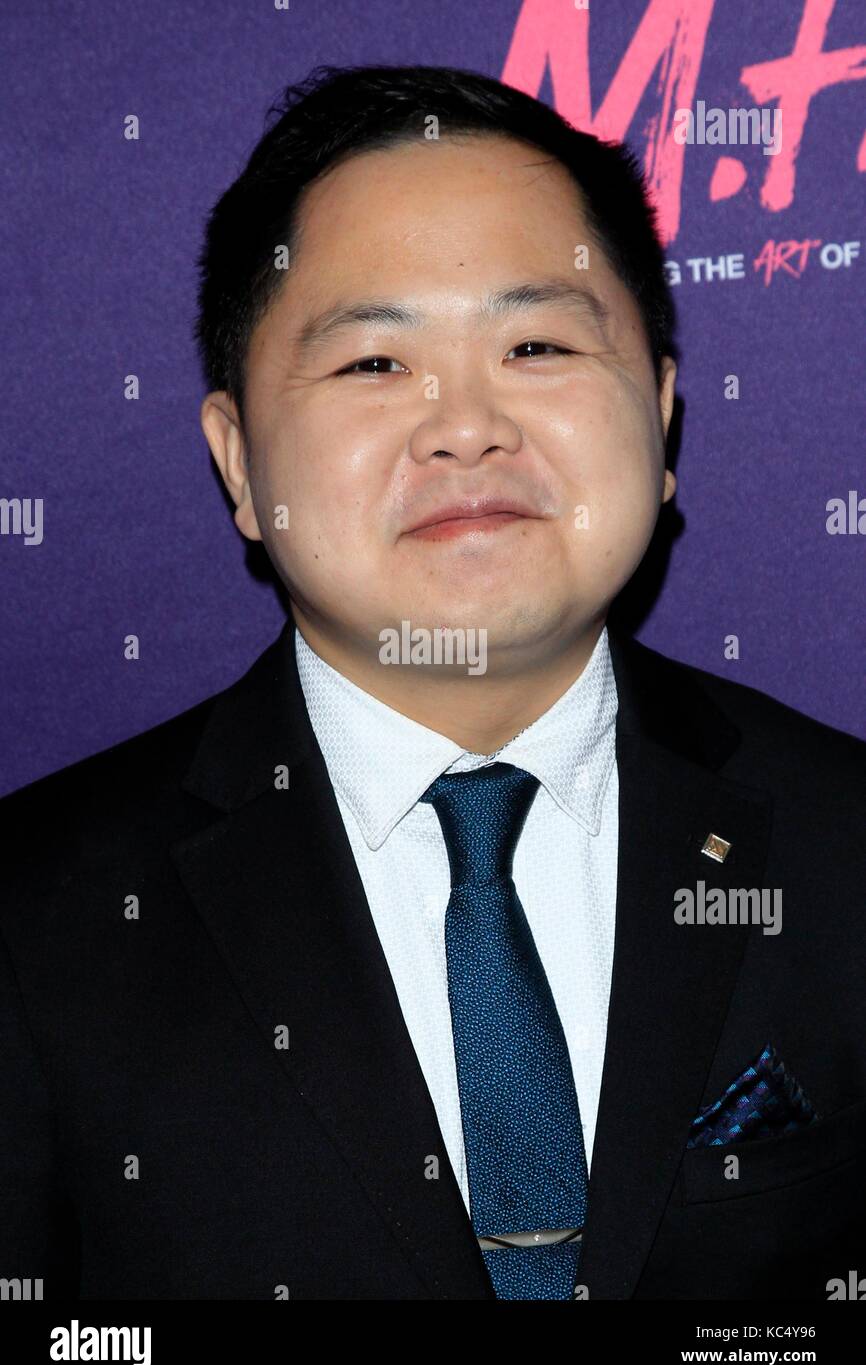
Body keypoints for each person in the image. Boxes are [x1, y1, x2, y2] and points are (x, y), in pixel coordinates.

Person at [1, 63, 864, 1302]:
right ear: (238, 462)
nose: (465, 424)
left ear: (663, 417)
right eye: (371, 364)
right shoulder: (40, 921)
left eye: (535, 343)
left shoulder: (841, 845)